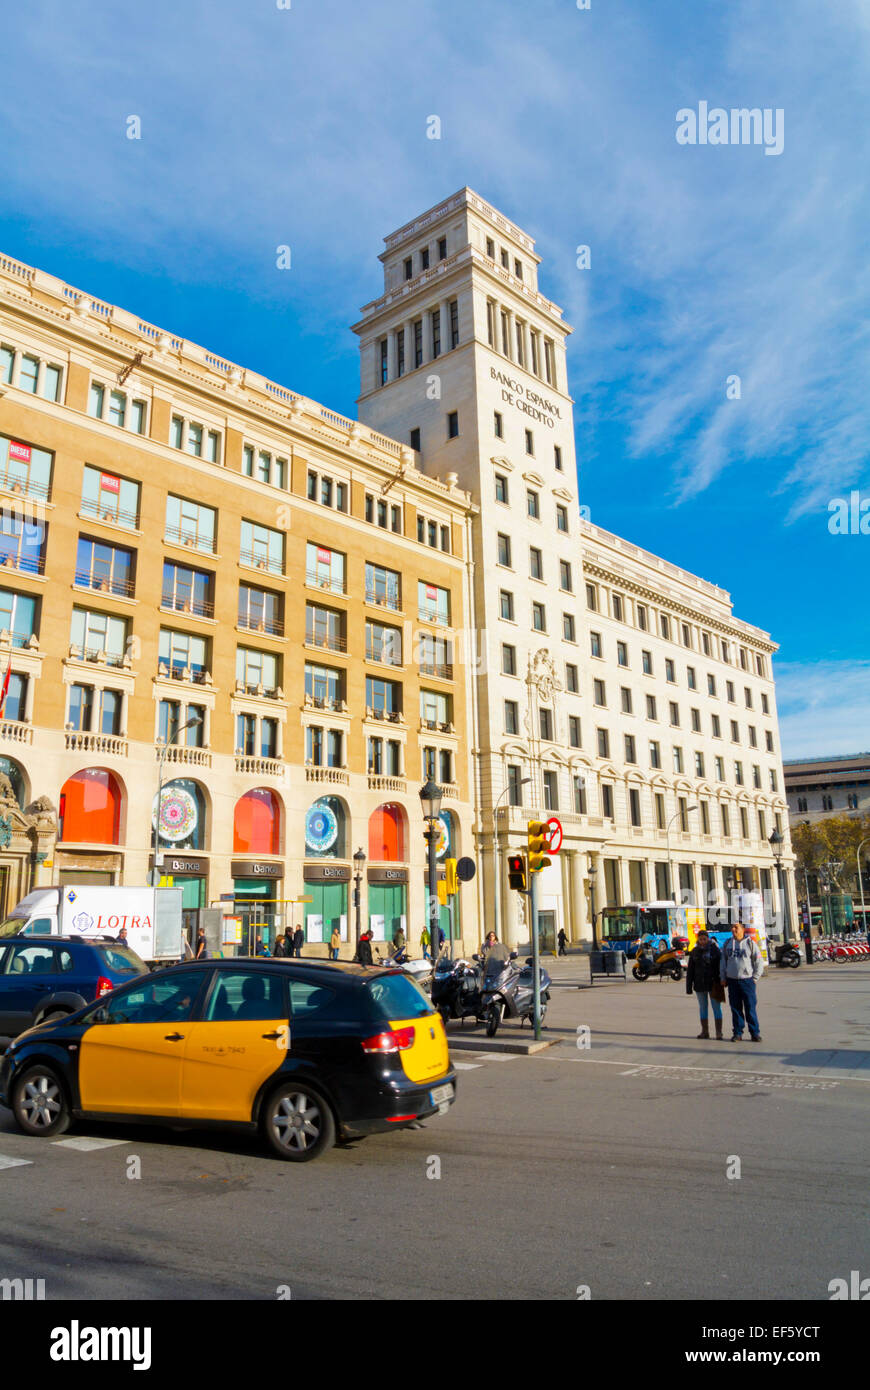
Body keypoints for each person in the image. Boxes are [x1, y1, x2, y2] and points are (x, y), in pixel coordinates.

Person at [720, 920, 764, 1041]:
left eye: (736, 927)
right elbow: (723, 962)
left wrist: (755, 978)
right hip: (732, 981)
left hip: (747, 981)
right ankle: (738, 1033)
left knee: (750, 1007)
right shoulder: (727, 943)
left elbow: (759, 962)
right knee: (735, 1008)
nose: (733, 929)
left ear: (743, 929)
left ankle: (754, 1033)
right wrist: (723, 978)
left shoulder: (750, 943)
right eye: (732, 927)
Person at [685, 930, 724, 1039]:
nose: (702, 941)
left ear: (708, 939)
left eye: (704, 939)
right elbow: (690, 971)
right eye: (700, 939)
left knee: (716, 1008)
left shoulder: (715, 950)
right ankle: (705, 1032)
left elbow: (721, 967)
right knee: (703, 1008)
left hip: (714, 984)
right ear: (698, 939)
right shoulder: (694, 952)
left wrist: (723, 980)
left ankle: (718, 1032)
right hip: (699, 984)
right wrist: (689, 987)